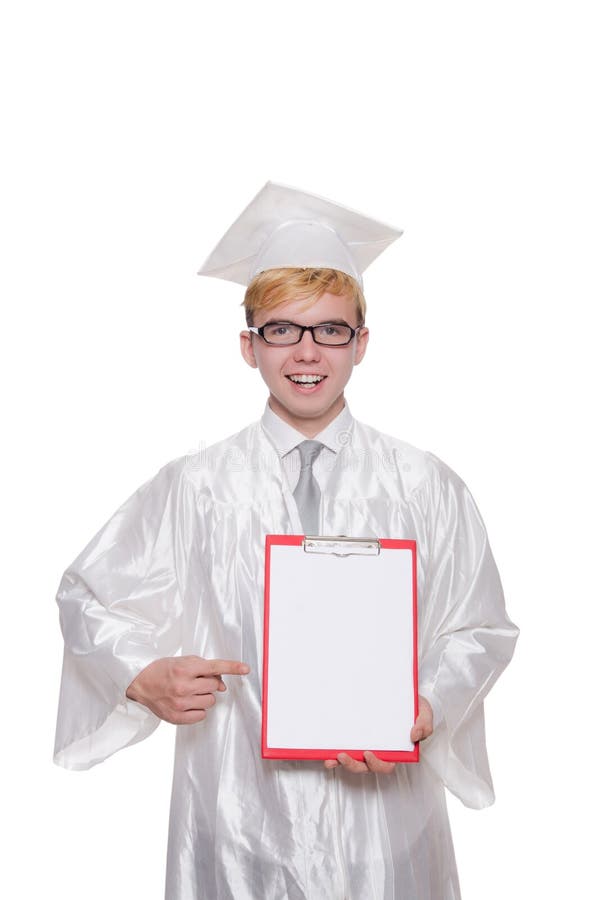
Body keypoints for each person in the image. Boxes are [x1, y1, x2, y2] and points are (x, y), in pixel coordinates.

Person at [54, 182, 518, 900]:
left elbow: (481, 628)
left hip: (384, 830)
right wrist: (141, 674)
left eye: (331, 329)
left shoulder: (425, 486)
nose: (308, 351)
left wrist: (426, 708)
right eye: (282, 329)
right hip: (237, 820)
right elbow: (85, 596)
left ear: (362, 342)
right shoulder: (196, 487)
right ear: (249, 345)